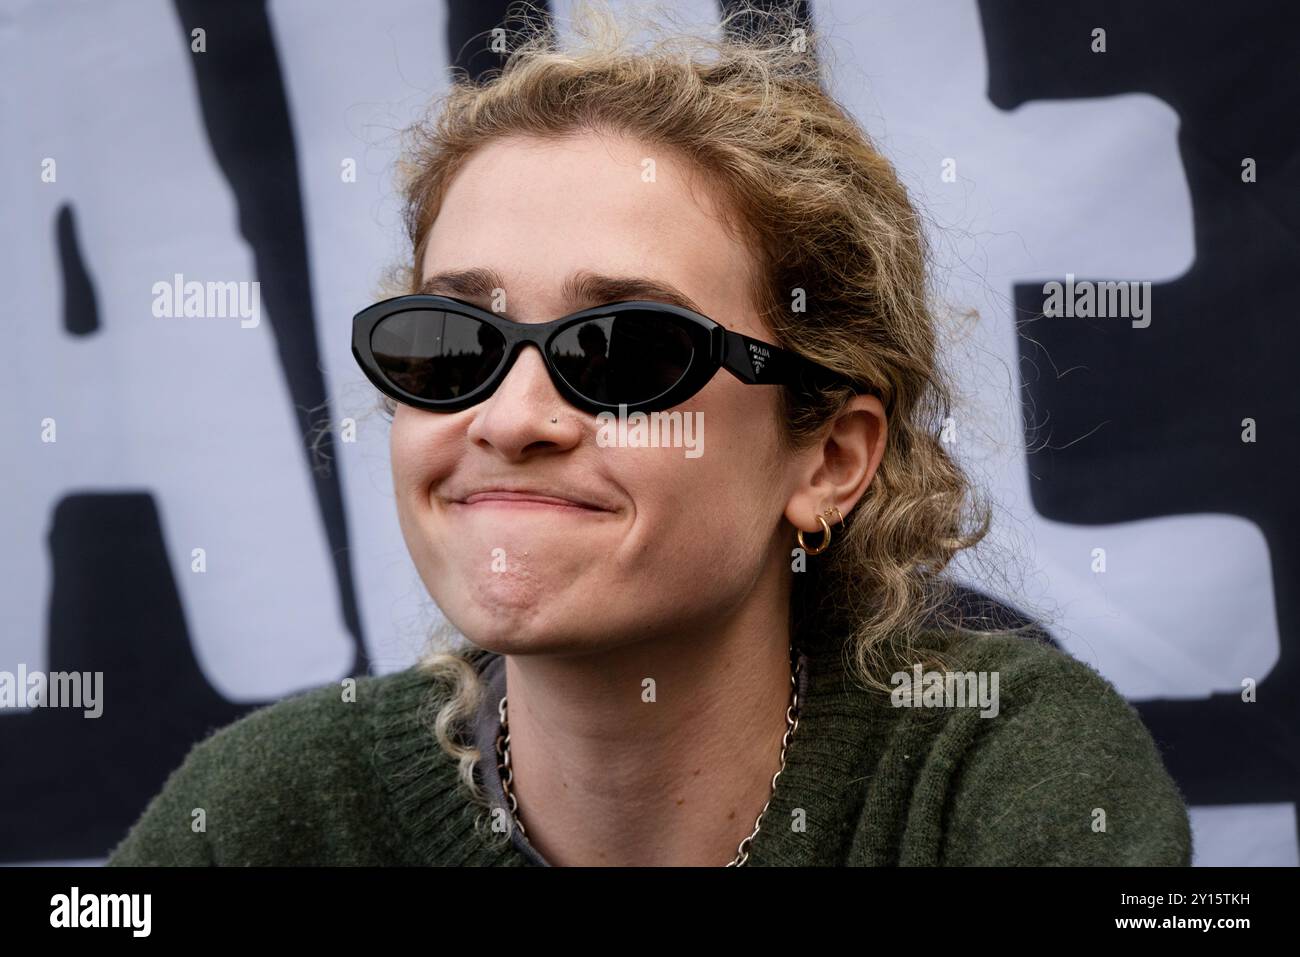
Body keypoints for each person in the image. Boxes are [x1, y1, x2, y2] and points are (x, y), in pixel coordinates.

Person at [107, 0, 1192, 867]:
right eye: (451, 342)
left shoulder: (1002, 770)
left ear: (827, 460)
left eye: (622, 352)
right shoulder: (275, 808)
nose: (510, 417)